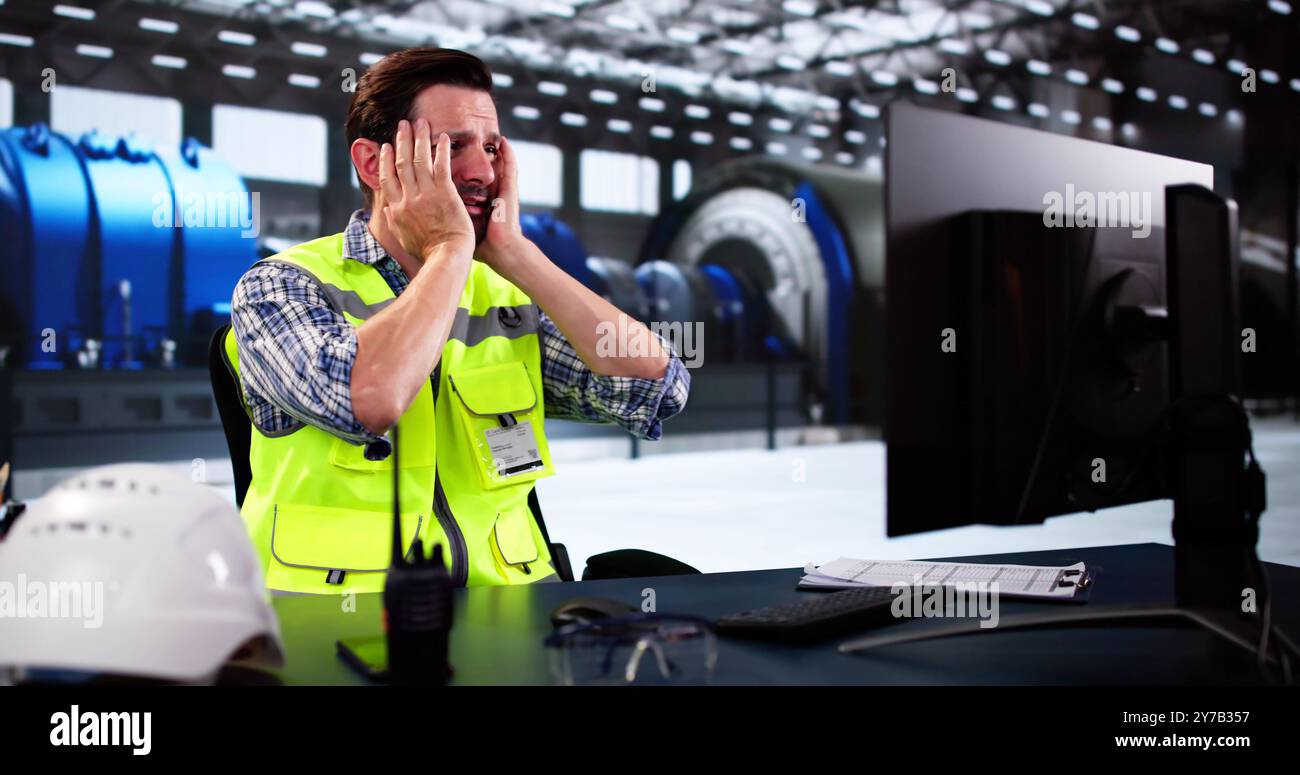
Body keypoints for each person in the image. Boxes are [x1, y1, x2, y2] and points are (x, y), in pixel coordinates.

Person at [223, 47, 691, 594]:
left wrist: (517, 254)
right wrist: (448, 248)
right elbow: (365, 401)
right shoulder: (281, 286)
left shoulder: (507, 297)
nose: (482, 172)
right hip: (336, 633)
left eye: (491, 148)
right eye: (452, 147)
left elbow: (655, 389)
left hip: (510, 620)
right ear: (374, 163)